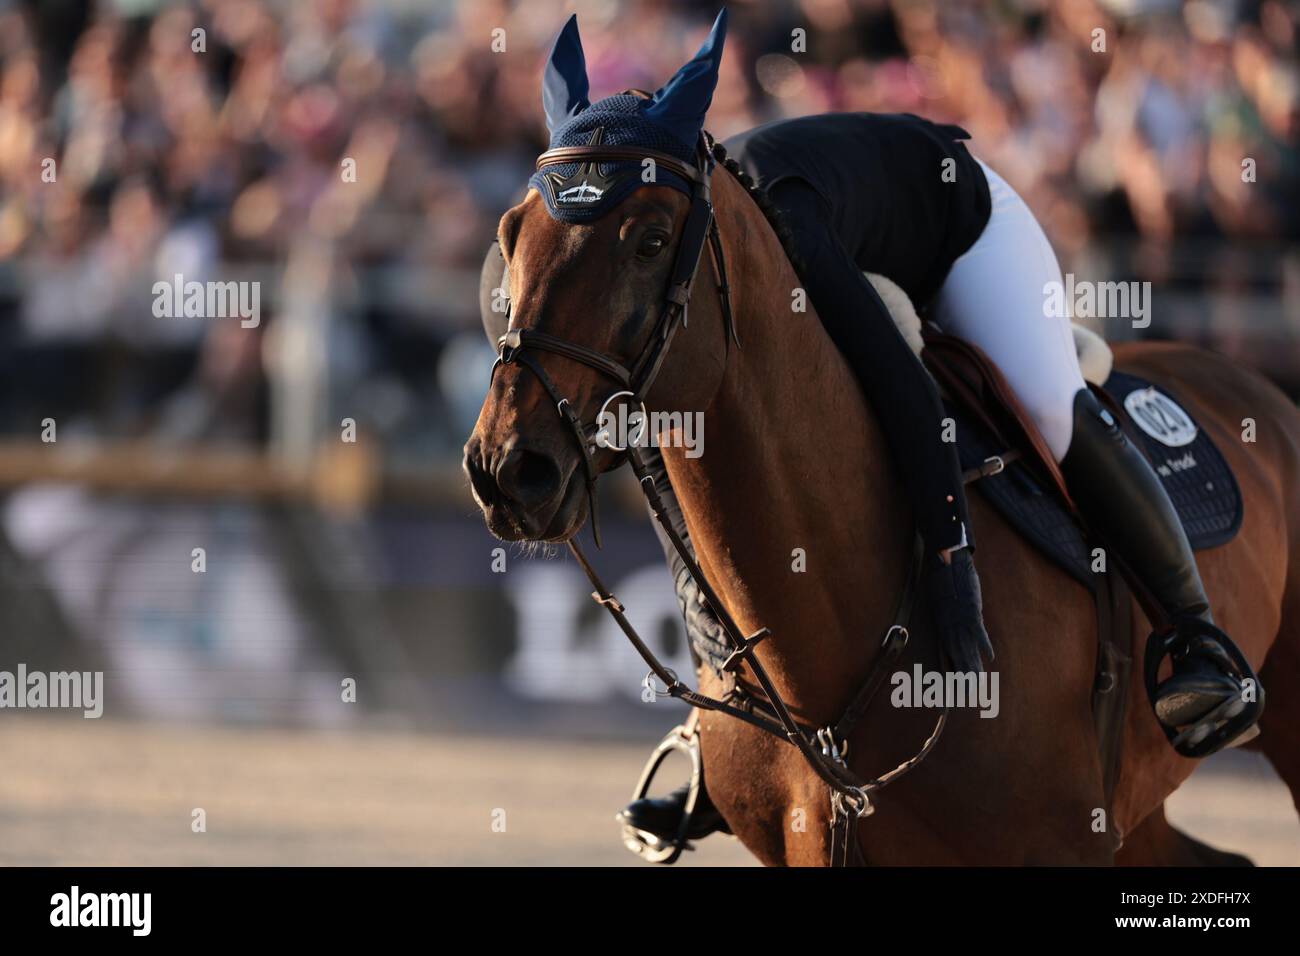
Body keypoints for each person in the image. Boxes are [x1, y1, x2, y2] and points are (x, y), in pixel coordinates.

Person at [483, 10, 1262, 847]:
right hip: (870, 235)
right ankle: (730, 727)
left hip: (965, 230)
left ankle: (1197, 641)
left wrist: (954, 575)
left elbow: (906, 393)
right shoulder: (716, 266)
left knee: (1047, 406)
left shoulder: (782, 221)